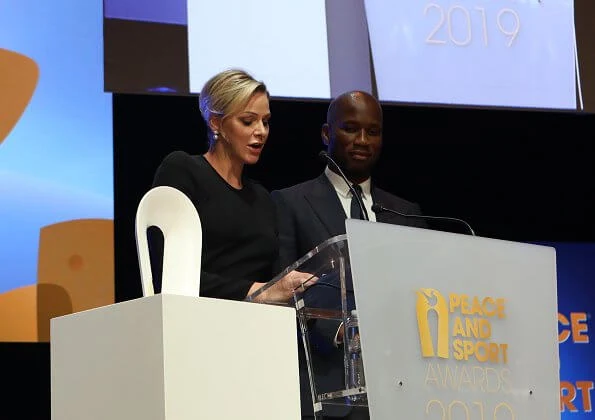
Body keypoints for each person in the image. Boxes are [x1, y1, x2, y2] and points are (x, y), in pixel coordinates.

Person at [272, 90, 427, 419]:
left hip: (399, 388)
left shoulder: (406, 213)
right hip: (327, 386)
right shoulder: (290, 203)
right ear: (327, 134)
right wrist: (343, 331)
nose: (362, 140)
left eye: (373, 132)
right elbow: (285, 292)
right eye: (350, 129)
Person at [151, 68, 312, 303]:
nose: (261, 131)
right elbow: (170, 271)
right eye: (248, 121)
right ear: (216, 123)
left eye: (265, 122)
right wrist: (257, 292)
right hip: (192, 318)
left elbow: (273, 276)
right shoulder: (183, 170)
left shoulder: (262, 197)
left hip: (257, 326)